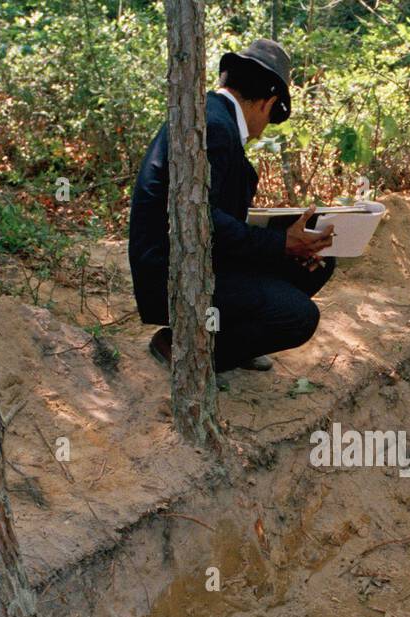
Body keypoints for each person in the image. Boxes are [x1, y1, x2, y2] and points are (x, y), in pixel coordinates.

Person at [128, 39, 335, 373]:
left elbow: (210, 218)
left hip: (195, 261)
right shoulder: (215, 128)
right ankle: (192, 348)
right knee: (299, 317)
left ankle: (228, 338)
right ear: (268, 103)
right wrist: (279, 243)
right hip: (172, 277)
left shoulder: (209, 116)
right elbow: (201, 222)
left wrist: (285, 244)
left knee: (318, 263)